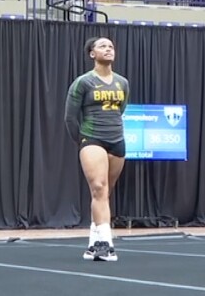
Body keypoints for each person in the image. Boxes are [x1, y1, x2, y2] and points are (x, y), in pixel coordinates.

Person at [64, 38, 130, 262]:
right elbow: (70, 117)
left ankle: (93, 243)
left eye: (111, 46)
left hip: (117, 141)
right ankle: (105, 244)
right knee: (99, 188)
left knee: (104, 193)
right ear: (92, 54)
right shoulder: (83, 82)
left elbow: (121, 109)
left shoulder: (122, 82)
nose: (108, 49)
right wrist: (83, 141)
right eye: (103, 46)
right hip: (92, 138)